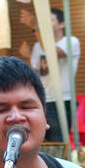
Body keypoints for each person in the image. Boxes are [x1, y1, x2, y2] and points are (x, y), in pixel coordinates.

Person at [30, 8, 81, 141]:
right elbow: (36, 72)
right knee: (40, 143)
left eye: (51, 20)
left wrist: (35, 29)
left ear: (62, 24)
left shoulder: (71, 41)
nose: (46, 24)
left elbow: (53, 53)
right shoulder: (37, 45)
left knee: (58, 143)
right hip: (42, 100)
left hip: (62, 100)